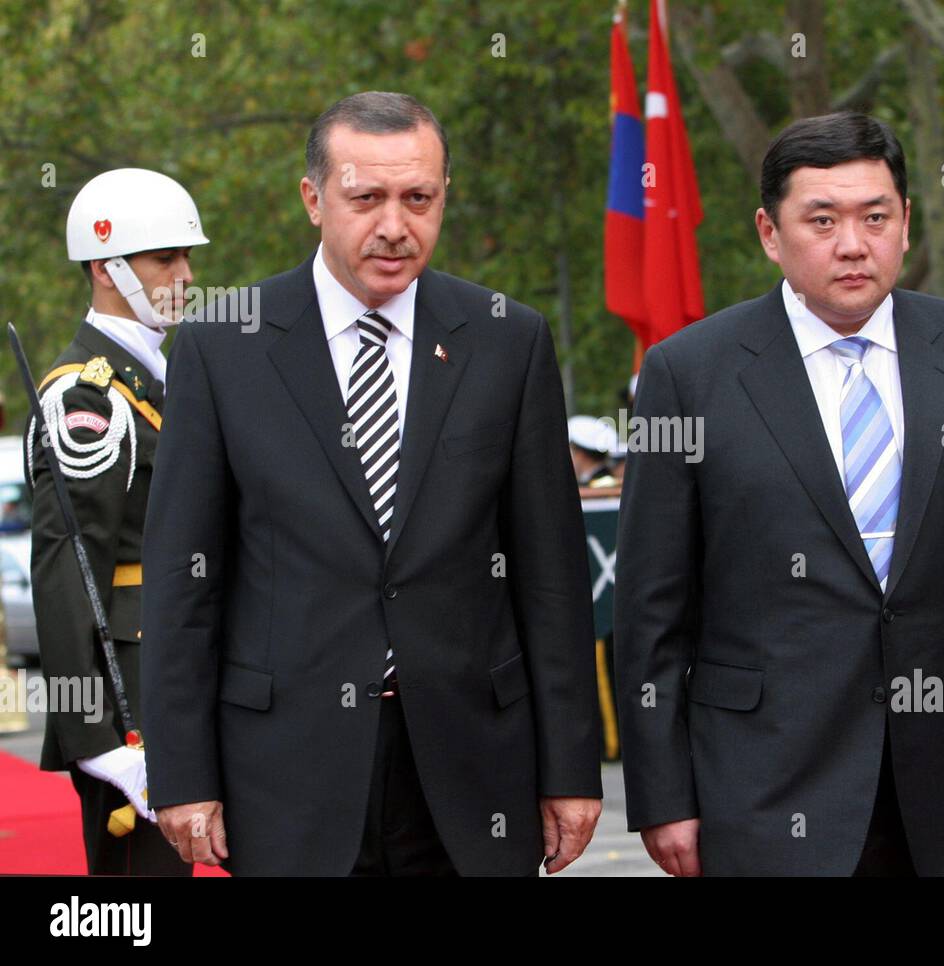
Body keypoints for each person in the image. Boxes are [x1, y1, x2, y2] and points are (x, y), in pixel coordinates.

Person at [614, 112, 944, 876]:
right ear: (771, 234)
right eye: (822, 219)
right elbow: (651, 604)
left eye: (875, 217)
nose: (852, 243)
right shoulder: (688, 374)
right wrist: (662, 792)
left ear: (905, 222)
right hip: (767, 780)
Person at [140, 91, 602, 876]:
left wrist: (570, 769)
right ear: (314, 200)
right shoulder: (223, 347)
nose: (395, 225)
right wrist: (184, 776)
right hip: (285, 773)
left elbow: (550, 577)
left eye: (418, 198)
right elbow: (185, 584)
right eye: (366, 199)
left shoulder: (506, 339)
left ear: (444, 196)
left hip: (472, 769)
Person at [26, 167, 208, 875]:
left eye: (188, 256)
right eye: (167, 257)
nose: (187, 274)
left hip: (175, 667)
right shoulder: (88, 397)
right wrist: (97, 740)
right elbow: (70, 564)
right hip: (128, 691)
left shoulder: (160, 377)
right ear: (108, 269)